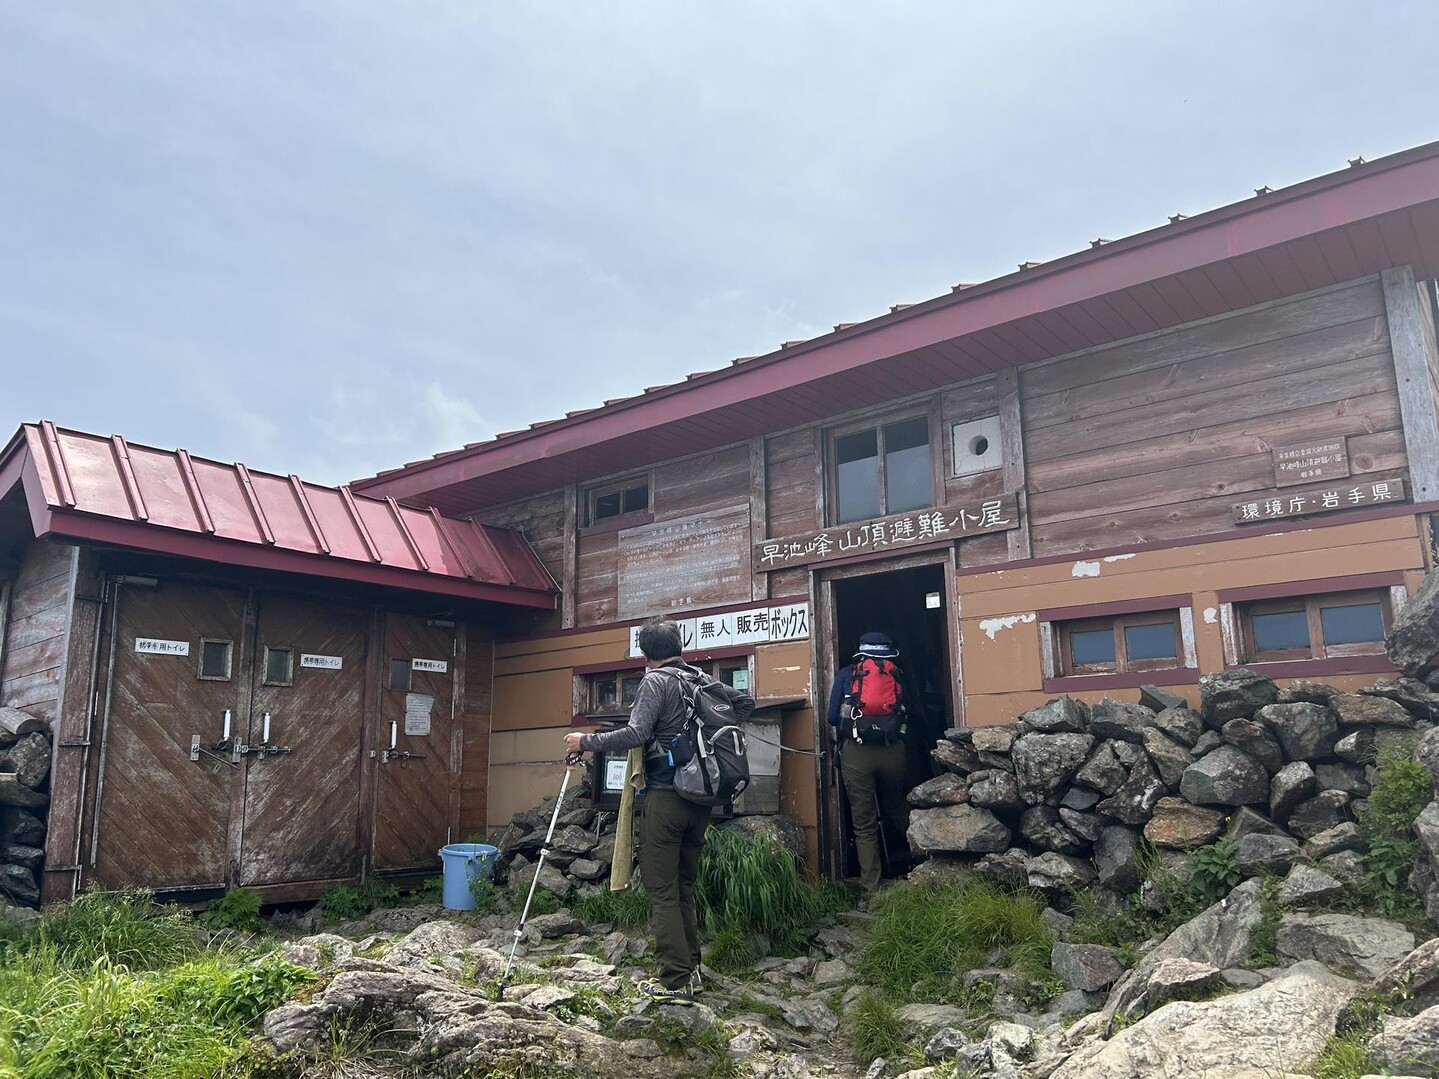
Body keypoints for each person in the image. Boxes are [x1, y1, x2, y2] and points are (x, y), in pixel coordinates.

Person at [564, 616, 753, 1005]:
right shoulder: (699, 679)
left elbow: (635, 733)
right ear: (679, 646)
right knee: (684, 886)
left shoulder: (656, 681)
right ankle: (692, 970)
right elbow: (745, 704)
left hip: (666, 797)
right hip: (702, 799)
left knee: (661, 889)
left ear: (645, 653)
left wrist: (585, 740)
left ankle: (674, 981)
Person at [826, 630, 927, 898]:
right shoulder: (897, 674)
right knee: (897, 808)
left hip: (856, 753)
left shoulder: (847, 674)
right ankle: (924, 868)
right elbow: (911, 713)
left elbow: (832, 718)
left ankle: (871, 888)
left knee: (863, 822)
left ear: (861, 652)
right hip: (892, 750)